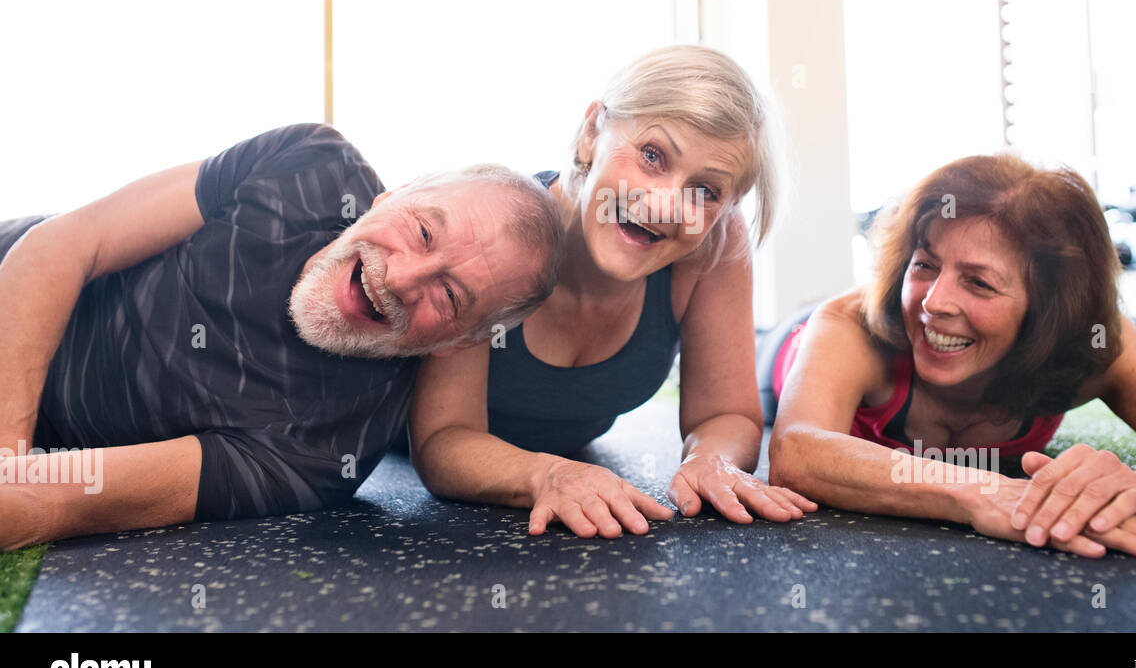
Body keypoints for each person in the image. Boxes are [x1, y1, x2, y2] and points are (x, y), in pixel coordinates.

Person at [0, 123, 563, 550]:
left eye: (449, 297)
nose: (399, 278)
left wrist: (16, 480)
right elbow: (61, 247)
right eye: (421, 232)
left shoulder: (324, 453)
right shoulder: (308, 163)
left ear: (458, 341)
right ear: (395, 194)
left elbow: (55, 497)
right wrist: (6, 452)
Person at [767, 154, 1136, 559]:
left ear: (1048, 308)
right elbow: (799, 452)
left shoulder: (1090, 339)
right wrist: (986, 494)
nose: (934, 301)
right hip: (788, 348)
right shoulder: (852, 325)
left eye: (979, 282)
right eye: (925, 264)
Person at [409, 45, 817, 538]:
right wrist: (548, 474)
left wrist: (712, 459)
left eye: (706, 191)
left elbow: (724, 414)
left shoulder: (713, 245)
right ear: (591, 132)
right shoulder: (503, 228)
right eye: (652, 156)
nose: (667, 205)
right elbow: (442, 438)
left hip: (571, 467)